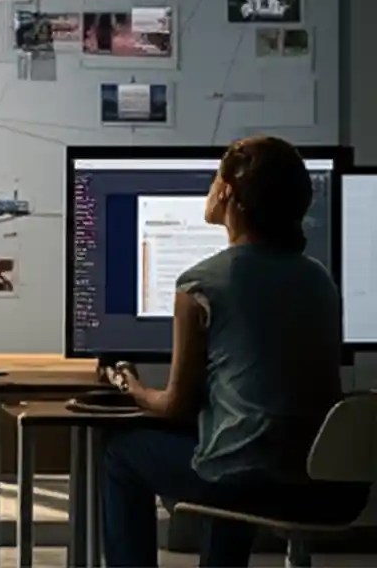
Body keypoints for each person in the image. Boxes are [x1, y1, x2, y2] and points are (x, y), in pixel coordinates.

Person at [100, 136, 369, 567]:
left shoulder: (199, 283)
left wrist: (131, 386)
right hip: (327, 484)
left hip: (250, 479)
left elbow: (174, 407)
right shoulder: (319, 279)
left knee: (122, 453)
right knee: (236, 444)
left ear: (226, 192)